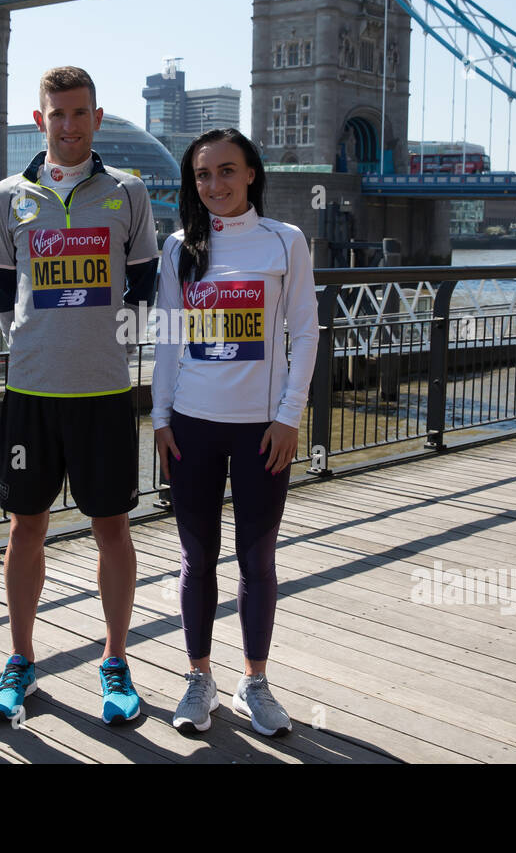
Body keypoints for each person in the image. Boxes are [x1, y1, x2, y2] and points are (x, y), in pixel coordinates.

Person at [0, 66, 159, 724]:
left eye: (80, 113)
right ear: (40, 121)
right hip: (30, 390)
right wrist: (40, 340)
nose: (69, 125)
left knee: (110, 527)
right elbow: (4, 289)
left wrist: (106, 345)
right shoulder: (9, 197)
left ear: (97, 117)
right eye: (56, 114)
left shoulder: (128, 193)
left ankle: (115, 662)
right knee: (24, 528)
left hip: (104, 392)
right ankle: (21, 664)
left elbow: (142, 285)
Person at [152, 129, 318, 736]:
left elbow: (305, 333)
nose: (214, 185)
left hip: (261, 431)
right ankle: (199, 679)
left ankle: (255, 682)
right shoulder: (179, 249)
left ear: (251, 173)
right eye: (202, 175)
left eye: (227, 171)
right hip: (193, 426)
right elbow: (168, 338)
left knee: (258, 558)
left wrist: (289, 417)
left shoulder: (284, 241)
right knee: (197, 559)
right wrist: (162, 418)